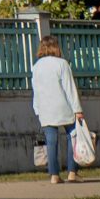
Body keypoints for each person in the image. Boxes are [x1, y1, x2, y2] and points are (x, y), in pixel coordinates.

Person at [31, 35, 85, 184]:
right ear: (56, 47)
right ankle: (72, 172)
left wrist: (37, 108)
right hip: (63, 106)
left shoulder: (36, 66)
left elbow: (36, 90)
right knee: (73, 137)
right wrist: (77, 109)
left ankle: (54, 175)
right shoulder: (62, 64)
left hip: (45, 108)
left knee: (51, 141)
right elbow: (70, 88)